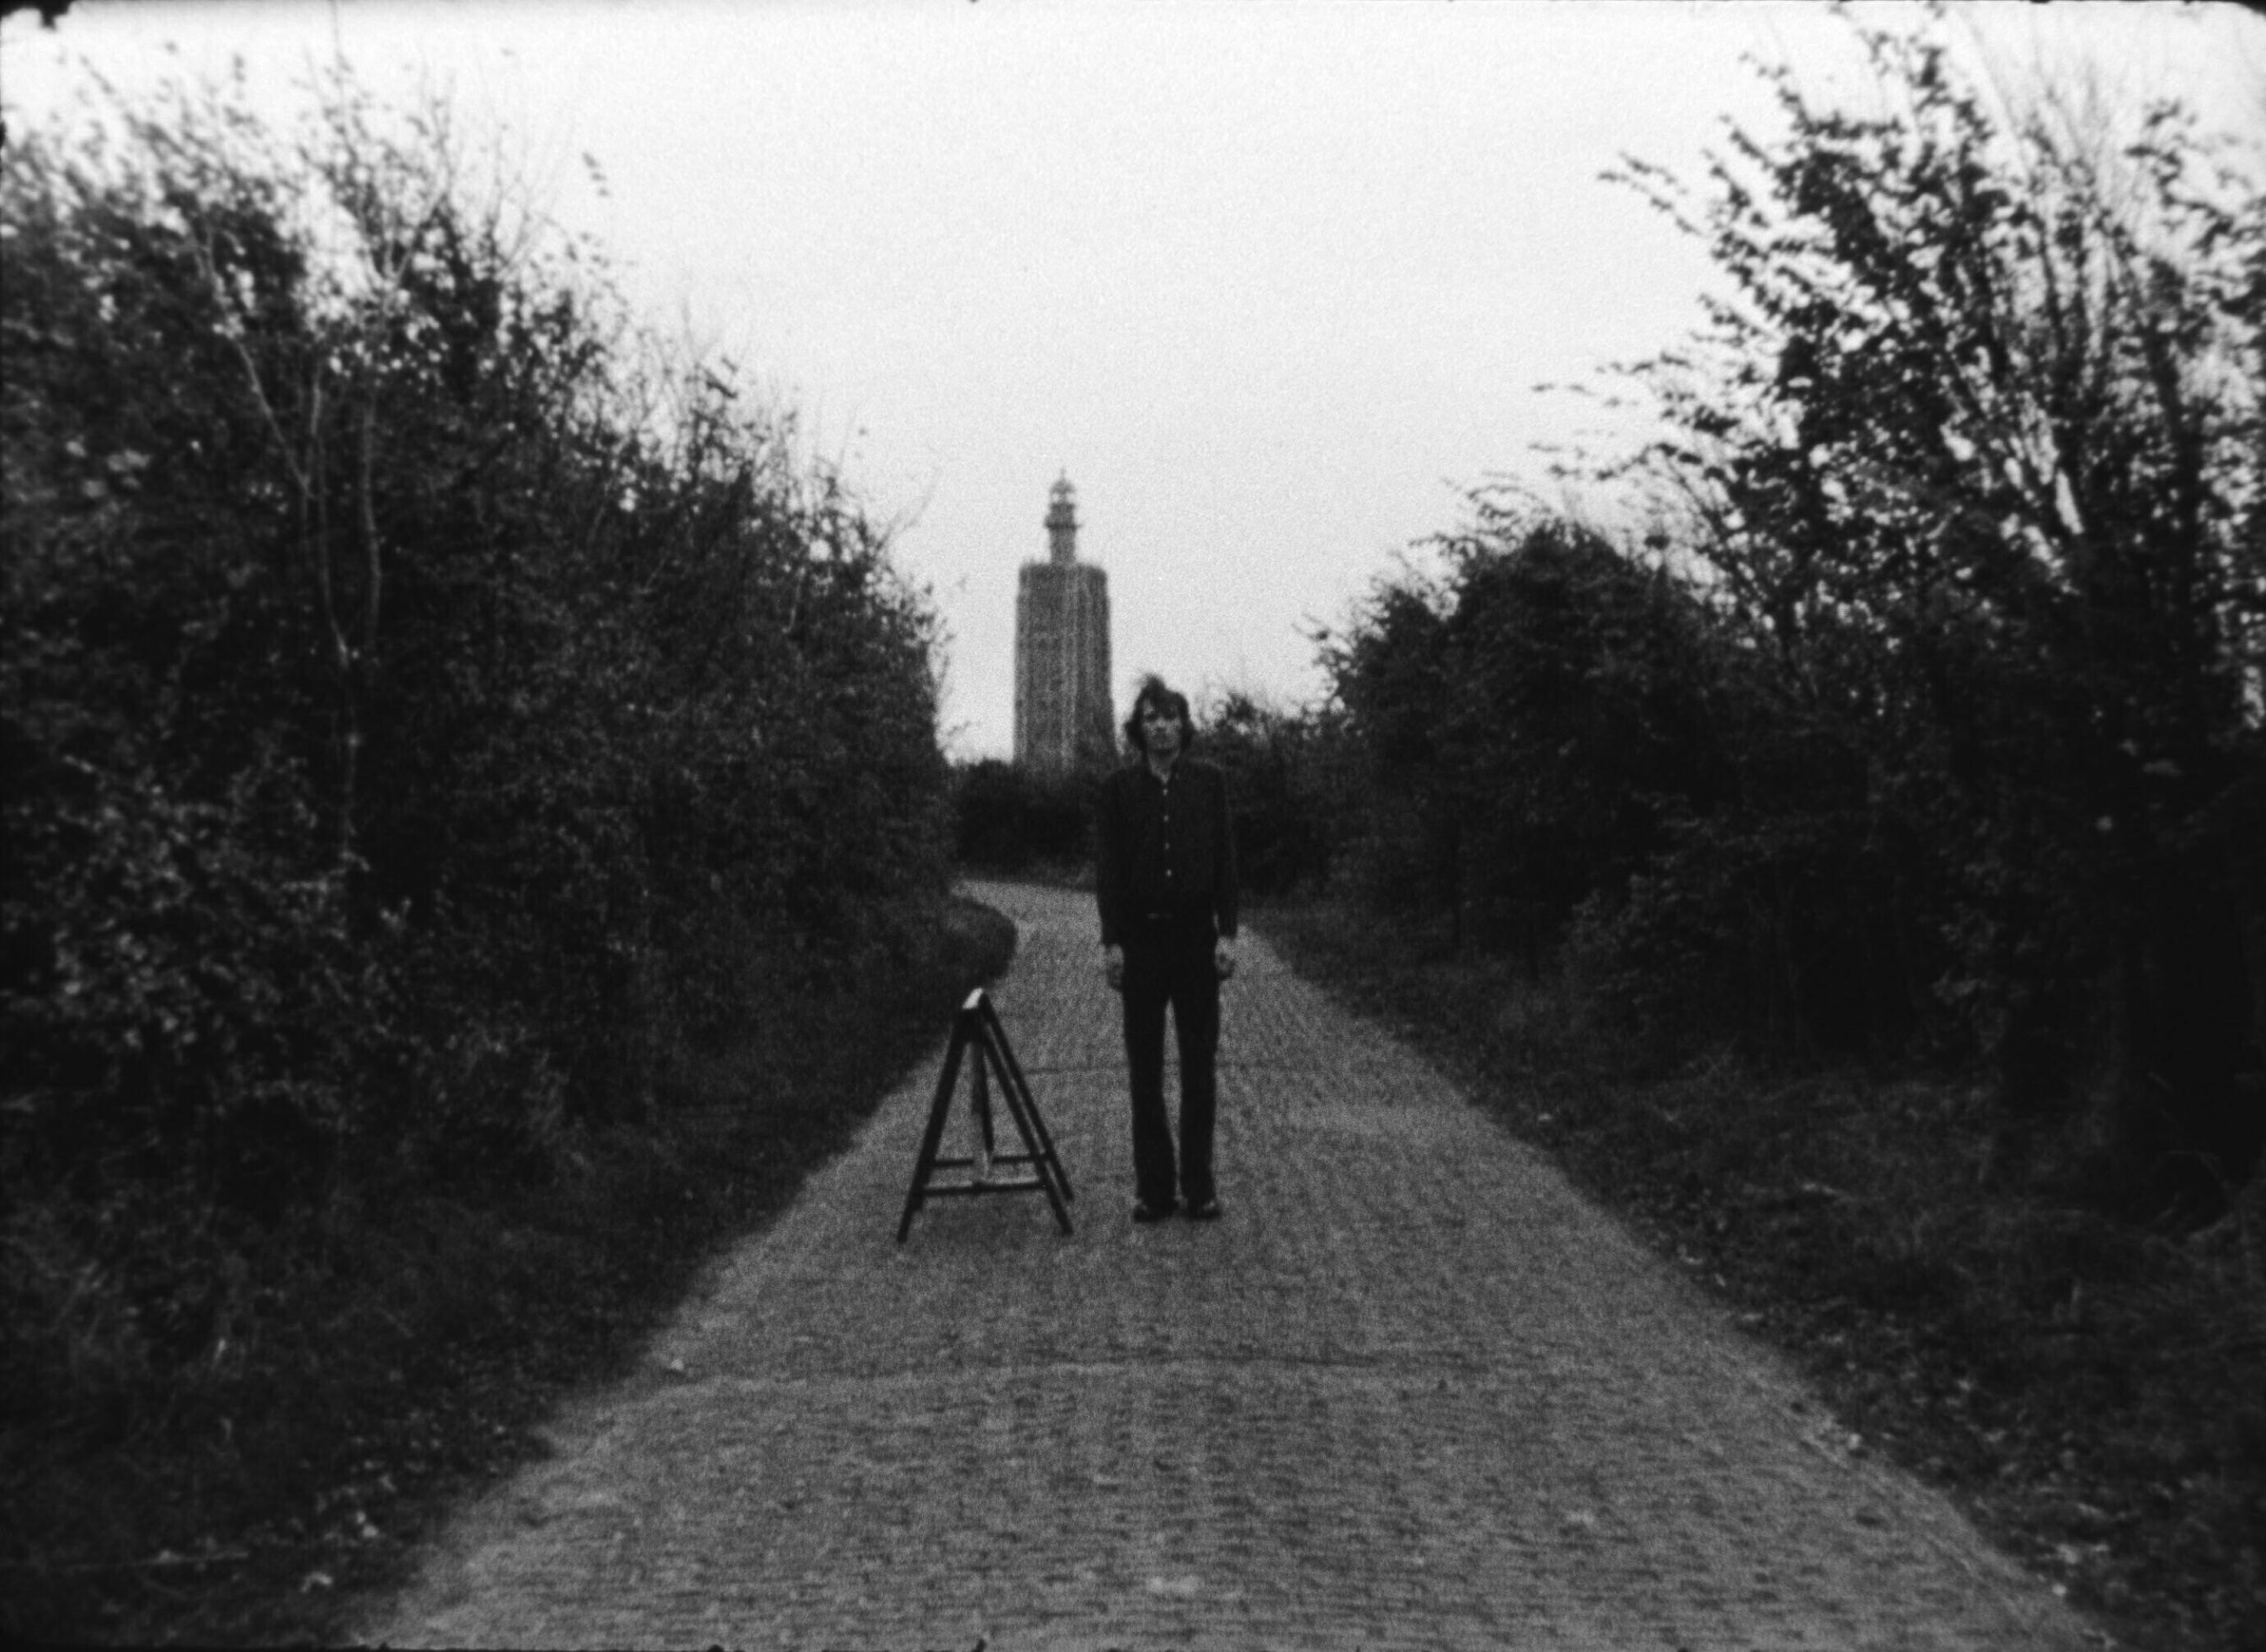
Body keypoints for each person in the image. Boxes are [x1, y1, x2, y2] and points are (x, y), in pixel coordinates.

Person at [1094, 676, 1239, 1222]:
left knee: (1199, 1067)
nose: (1162, 726)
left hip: (1196, 942)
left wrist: (1228, 933)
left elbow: (1227, 862)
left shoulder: (1209, 784)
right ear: (1139, 728)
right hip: (1142, 945)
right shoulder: (1116, 791)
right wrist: (1112, 942)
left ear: (1184, 725)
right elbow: (1109, 873)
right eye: (1152, 717)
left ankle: (1199, 1187)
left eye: (1171, 716)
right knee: (1145, 1071)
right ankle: (1154, 1189)